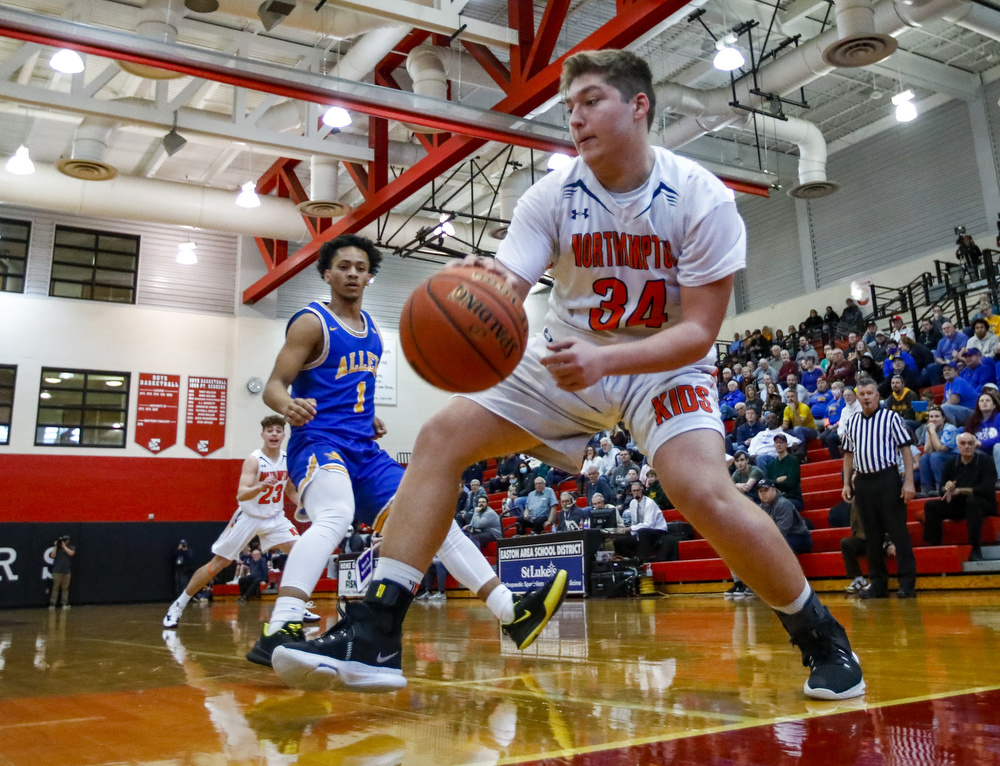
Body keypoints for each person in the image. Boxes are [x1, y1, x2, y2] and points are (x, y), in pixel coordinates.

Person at [267, 49, 864, 701]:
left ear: (639, 106)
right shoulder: (551, 196)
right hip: (563, 354)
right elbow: (508, 286)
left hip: (663, 365)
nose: (575, 118)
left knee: (701, 491)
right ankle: (374, 633)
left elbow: (698, 329)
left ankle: (821, 636)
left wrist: (609, 359)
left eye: (591, 101)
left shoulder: (701, 199)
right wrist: (475, 292)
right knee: (440, 439)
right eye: (569, 107)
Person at [244, 234, 545, 669]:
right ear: (327, 273)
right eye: (343, 266)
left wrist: (370, 418)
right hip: (319, 442)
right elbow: (275, 383)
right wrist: (285, 404)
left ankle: (510, 611)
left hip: (365, 451)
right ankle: (283, 623)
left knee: (433, 520)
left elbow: (352, 391)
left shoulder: (374, 334)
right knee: (336, 514)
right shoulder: (311, 322)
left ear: (369, 276)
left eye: (360, 267)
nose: (352, 273)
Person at [163, 415, 312, 629]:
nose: (274, 434)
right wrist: (259, 488)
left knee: (302, 553)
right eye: (270, 430)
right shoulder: (254, 460)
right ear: (263, 434)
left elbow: (289, 490)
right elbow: (241, 495)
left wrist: (302, 503)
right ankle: (178, 605)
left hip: (275, 517)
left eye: (278, 430)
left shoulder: (288, 459)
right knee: (218, 564)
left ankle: (295, 605)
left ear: (283, 435)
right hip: (249, 517)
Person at [840, 379, 917, 599]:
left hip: (887, 479)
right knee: (871, 536)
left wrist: (909, 481)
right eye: (862, 393)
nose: (865, 397)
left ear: (877, 395)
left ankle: (907, 583)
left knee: (898, 532)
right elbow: (848, 454)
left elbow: (906, 449)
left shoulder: (891, 417)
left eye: (869, 393)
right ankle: (878, 583)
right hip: (863, 482)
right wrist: (846, 483)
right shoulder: (853, 422)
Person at [922, 432, 998, 561]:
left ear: (975, 446)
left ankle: (975, 548)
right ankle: (935, 547)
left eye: (970, 443)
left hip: (983, 503)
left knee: (972, 502)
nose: (967, 446)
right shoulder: (951, 463)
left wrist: (960, 491)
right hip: (959, 504)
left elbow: (987, 489)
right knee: (931, 506)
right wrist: (946, 488)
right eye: (963, 443)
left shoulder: (986, 462)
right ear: (958, 446)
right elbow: (941, 489)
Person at [613, 482, 671, 560]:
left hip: (658, 531)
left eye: (638, 490)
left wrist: (631, 528)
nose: (636, 492)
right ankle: (632, 560)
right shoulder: (632, 503)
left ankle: (643, 560)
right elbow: (634, 522)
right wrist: (631, 533)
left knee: (643, 532)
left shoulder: (649, 503)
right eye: (634, 491)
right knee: (618, 542)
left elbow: (648, 525)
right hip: (641, 532)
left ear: (642, 491)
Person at [756, 480, 812, 554]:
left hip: (799, 538)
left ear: (774, 490)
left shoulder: (783, 504)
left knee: (773, 546)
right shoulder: (761, 507)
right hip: (782, 537)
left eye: (766, 490)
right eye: (760, 491)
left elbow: (782, 531)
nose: (763, 493)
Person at [918, 405, 959, 496]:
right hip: (940, 456)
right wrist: (929, 433)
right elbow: (927, 451)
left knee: (935, 456)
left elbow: (941, 449)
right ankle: (926, 489)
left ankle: (940, 487)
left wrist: (932, 432)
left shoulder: (949, 428)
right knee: (924, 458)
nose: (933, 419)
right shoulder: (930, 429)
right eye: (931, 417)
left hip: (954, 457)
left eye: (937, 416)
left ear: (943, 418)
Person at [965, 390, 1000, 475]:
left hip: (997, 452)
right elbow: (967, 435)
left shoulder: (998, 417)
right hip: (984, 455)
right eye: (982, 401)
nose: (984, 402)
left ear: (994, 405)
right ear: (978, 405)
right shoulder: (973, 420)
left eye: (987, 401)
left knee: (998, 446)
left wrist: (981, 443)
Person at [766, 434, 803, 511]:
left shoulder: (793, 460)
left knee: (782, 505)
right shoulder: (771, 464)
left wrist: (775, 483)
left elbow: (791, 483)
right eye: (777, 442)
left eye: (781, 442)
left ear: (786, 444)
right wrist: (777, 480)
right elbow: (769, 484)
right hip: (776, 499)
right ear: (774, 445)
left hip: (792, 498)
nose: (779, 444)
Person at [48, 535, 75, 609]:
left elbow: (71, 553)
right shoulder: (57, 548)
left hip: (66, 571)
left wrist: (64, 547)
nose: (66, 542)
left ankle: (64, 603)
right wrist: (55, 546)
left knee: (65, 588)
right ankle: (52, 604)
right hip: (57, 571)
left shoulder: (71, 547)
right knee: (55, 587)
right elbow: (53, 555)